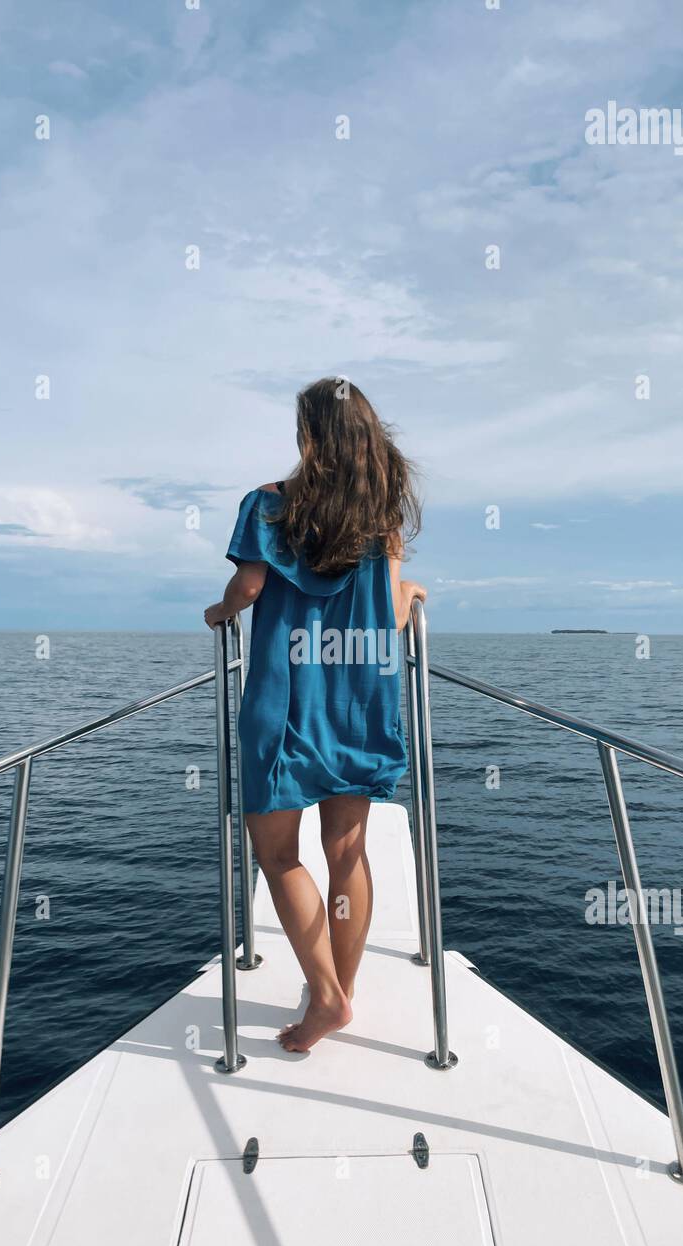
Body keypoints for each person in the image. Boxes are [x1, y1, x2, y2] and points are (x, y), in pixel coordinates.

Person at [204, 378, 427, 1052]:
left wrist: (220, 612)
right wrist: (409, 588)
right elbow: (387, 618)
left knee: (277, 856)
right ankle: (342, 989)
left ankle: (325, 998)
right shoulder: (379, 518)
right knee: (346, 853)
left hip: (285, 701)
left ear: (308, 435)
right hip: (359, 702)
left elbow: (248, 586)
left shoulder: (268, 504)